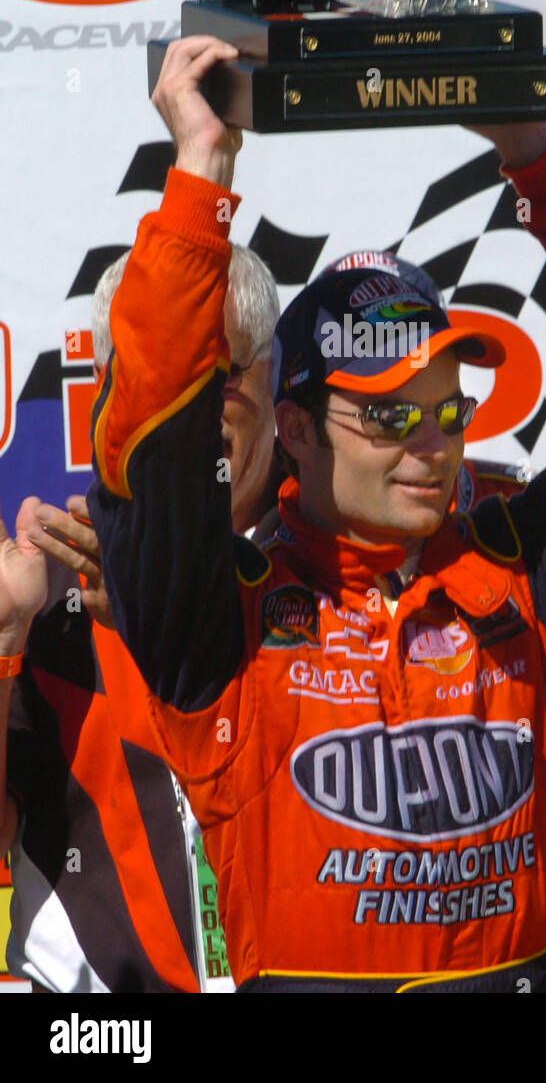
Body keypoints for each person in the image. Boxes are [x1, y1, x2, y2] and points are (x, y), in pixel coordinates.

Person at [78, 33, 546, 993]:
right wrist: (201, 173)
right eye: (387, 415)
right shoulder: (220, 619)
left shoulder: (527, 575)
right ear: (291, 425)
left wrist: (537, 150)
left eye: (446, 412)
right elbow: (147, 450)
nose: (432, 445)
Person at [0, 239, 278, 993]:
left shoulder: (324, 582)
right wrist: (3, 639)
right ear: (105, 390)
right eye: (159, 378)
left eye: (218, 374)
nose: (185, 415)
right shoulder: (42, 593)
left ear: (276, 388)